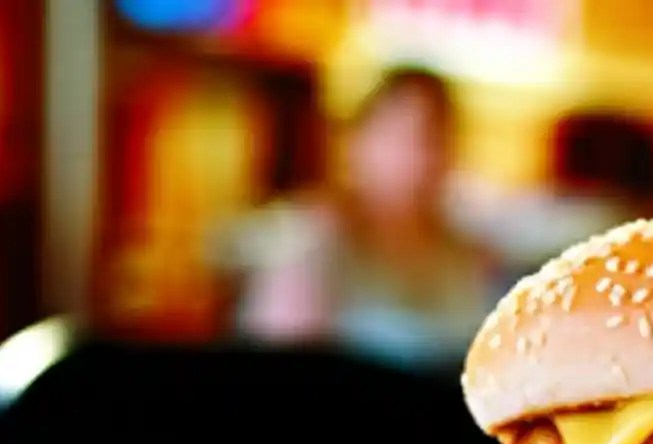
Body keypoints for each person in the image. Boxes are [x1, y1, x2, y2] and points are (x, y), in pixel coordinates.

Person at [211, 66, 502, 374]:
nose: (419, 157)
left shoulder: (467, 257)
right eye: (403, 137)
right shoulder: (314, 240)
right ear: (358, 143)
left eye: (436, 139)